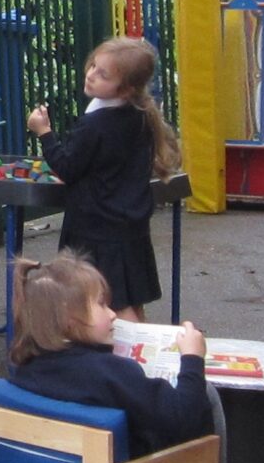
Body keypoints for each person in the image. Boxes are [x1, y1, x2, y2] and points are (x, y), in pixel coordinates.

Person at [8, 252, 231, 463]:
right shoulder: (112, 375)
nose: (113, 314)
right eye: (101, 304)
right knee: (205, 395)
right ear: (68, 316)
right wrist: (192, 358)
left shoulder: (24, 369)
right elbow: (185, 417)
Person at [27, 37, 181, 322]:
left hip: (97, 224)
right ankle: (137, 355)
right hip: (127, 221)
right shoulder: (139, 114)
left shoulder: (96, 124)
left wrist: (45, 133)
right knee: (130, 300)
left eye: (103, 74)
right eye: (94, 66)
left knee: (112, 302)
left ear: (126, 88)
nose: (91, 75)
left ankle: (133, 359)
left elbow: (68, 167)